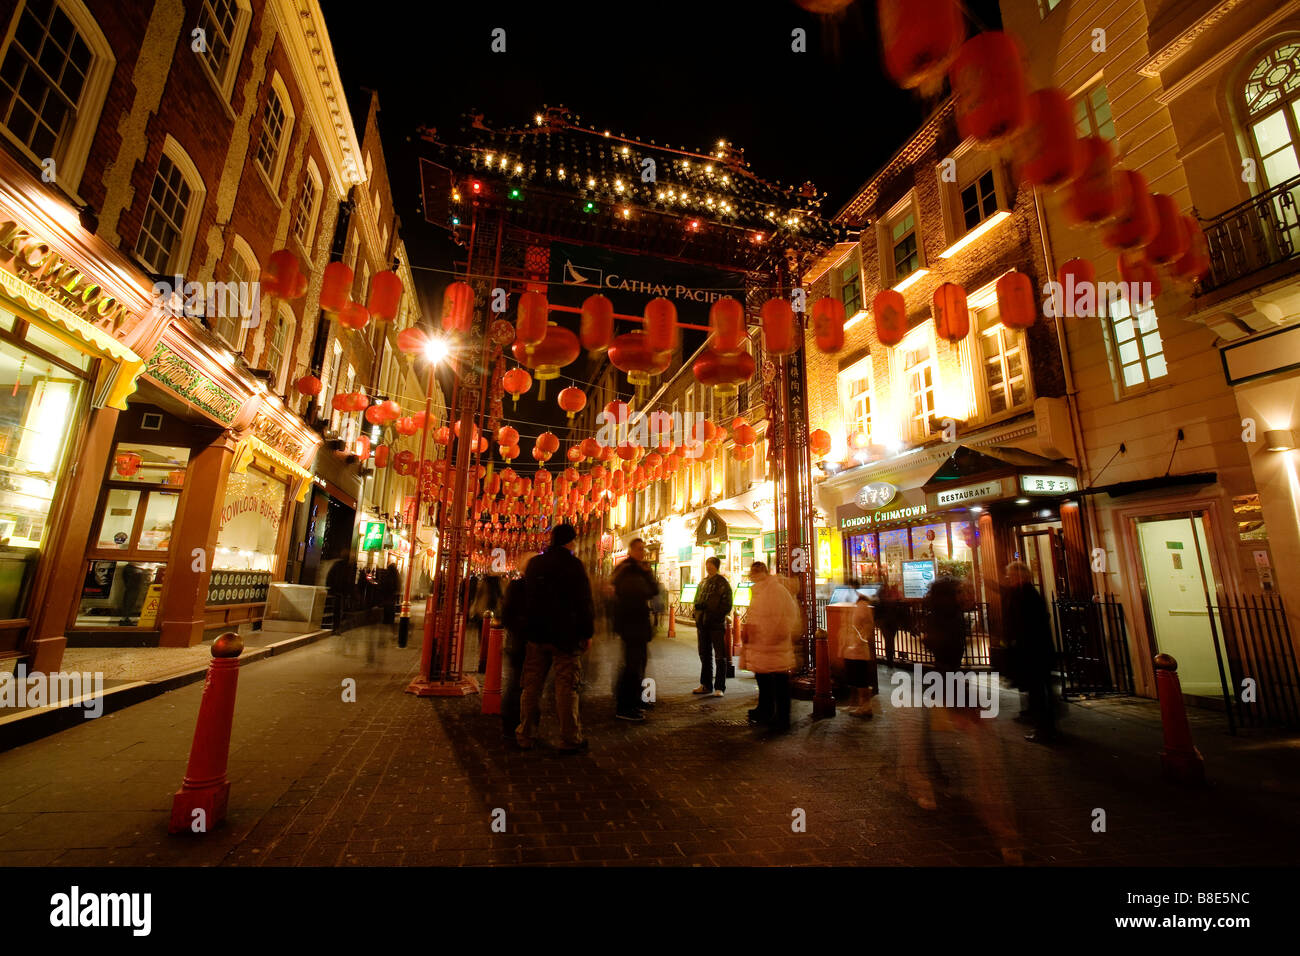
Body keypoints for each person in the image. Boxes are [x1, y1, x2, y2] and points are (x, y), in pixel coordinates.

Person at [517, 523, 595, 754]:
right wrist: (587, 633)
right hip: (566, 636)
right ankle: (570, 737)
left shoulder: (536, 564)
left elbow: (526, 598)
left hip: (537, 634)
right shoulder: (574, 566)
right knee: (566, 687)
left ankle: (526, 733)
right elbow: (584, 603)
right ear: (570, 541)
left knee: (531, 686)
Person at [1003, 561, 1056, 743]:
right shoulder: (1025, 593)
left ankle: (1044, 729)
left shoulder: (1025, 595)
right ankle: (1044, 725)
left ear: (1020, 576)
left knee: (1037, 690)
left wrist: (1016, 641)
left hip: (1032, 651)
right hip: (1035, 650)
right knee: (1038, 689)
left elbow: (1026, 624)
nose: (1009, 579)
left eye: (1012, 576)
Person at [743, 562, 800, 731]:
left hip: (775, 644)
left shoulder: (775, 590)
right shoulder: (758, 591)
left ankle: (782, 719)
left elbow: (789, 614)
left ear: (764, 573)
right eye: (752, 572)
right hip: (762, 644)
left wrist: (777, 634)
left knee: (779, 682)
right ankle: (765, 710)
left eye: (756, 572)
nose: (753, 576)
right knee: (763, 679)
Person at [611, 538, 658, 721]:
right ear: (631, 550)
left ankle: (636, 699)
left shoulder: (641, 569)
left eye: (643, 549)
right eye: (639, 549)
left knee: (639, 663)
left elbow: (653, 590)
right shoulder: (626, 569)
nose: (643, 552)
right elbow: (639, 592)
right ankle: (624, 706)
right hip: (630, 624)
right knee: (631, 666)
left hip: (638, 624)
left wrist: (647, 574)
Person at [499, 554, 537, 742]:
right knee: (518, 684)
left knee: (522, 684)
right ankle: (513, 723)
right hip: (522, 642)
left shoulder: (536, 587)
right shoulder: (519, 587)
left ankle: (521, 723)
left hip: (525, 642)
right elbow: (507, 615)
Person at [692, 556, 732, 697]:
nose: (708, 567)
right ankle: (705, 684)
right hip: (702, 624)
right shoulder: (703, 582)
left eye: (711, 565)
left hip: (715, 624)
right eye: (707, 565)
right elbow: (697, 599)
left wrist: (715, 614)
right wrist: (696, 613)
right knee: (704, 654)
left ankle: (720, 687)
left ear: (716, 566)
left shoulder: (722, 583)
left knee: (720, 656)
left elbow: (727, 604)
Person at [842, 592, 878, 717]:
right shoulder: (861, 607)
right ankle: (858, 705)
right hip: (855, 650)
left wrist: (857, 642)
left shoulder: (862, 608)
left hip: (858, 651)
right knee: (856, 680)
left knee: (861, 680)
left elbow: (865, 628)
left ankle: (865, 707)